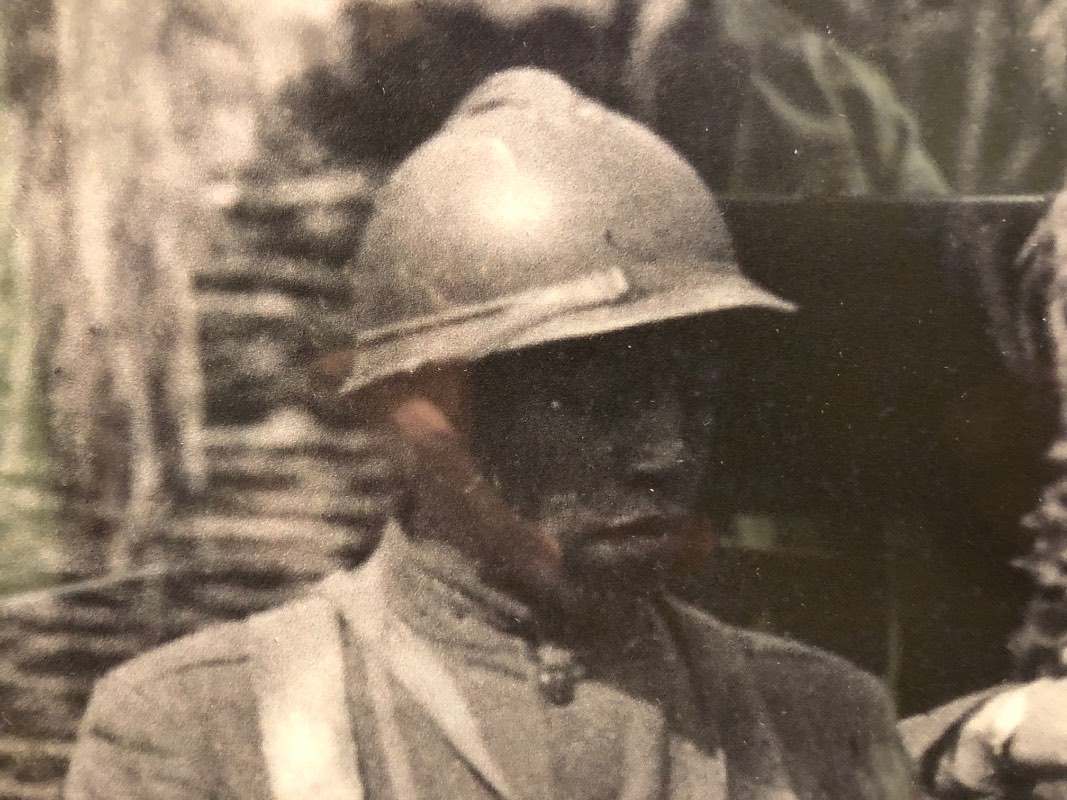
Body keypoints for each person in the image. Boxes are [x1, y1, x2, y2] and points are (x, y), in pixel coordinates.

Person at [64, 69, 916, 800]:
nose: (665, 453)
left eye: (692, 394)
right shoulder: (201, 728)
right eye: (594, 400)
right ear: (424, 413)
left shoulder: (819, 724)